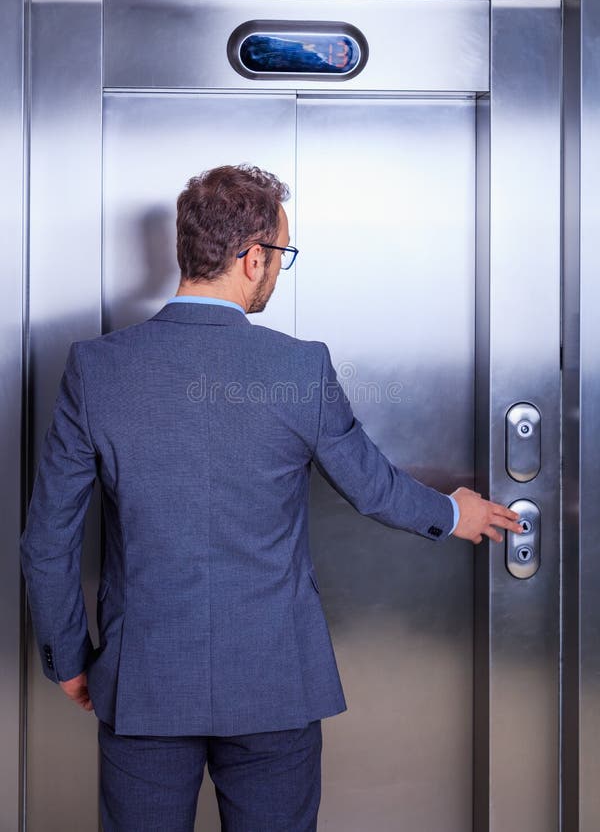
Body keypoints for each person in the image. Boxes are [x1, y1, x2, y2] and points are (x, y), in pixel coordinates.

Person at [20, 164, 523, 832]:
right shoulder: (298, 368)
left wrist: (68, 659)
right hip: (274, 683)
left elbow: (47, 541)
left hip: (141, 682)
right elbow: (372, 489)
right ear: (252, 258)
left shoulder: (99, 370)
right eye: (281, 255)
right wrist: (457, 512)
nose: (279, 269)